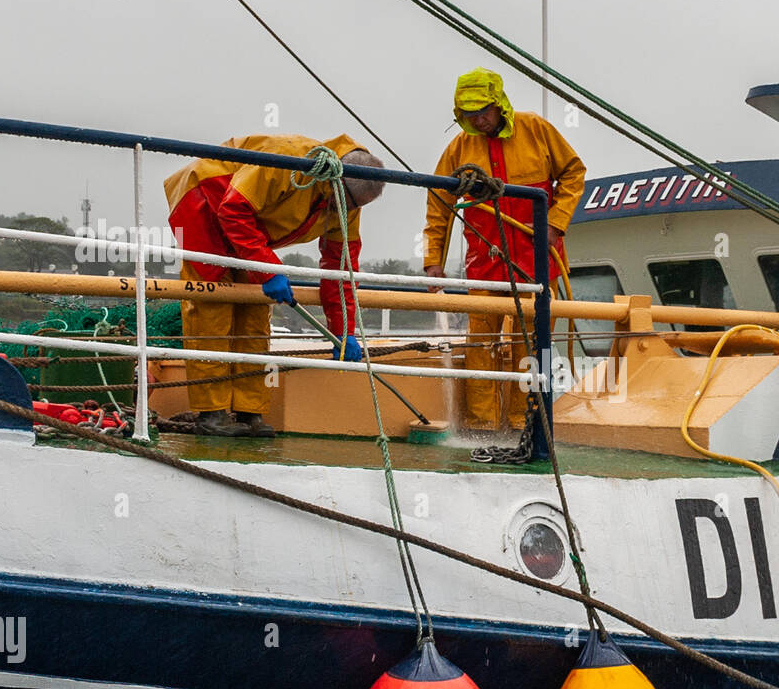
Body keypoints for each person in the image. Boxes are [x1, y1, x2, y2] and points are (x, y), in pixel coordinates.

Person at [164, 134, 384, 436]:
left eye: (353, 206)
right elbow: (233, 208)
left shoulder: (346, 207)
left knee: (255, 315)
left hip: (248, 230)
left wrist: (343, 330)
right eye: (344, 201)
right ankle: (211, 414)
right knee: (211, 310)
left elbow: (340, 267)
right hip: (202, 203)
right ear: (335, 183)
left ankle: (248, 411)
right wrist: (269, 270)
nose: (344, 209)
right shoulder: (287, 162)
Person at [422, 69, 585, 433]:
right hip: (484, 266)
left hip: (538, 266)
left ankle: (522, 424)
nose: (478, 120)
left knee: (529, 346)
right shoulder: (460, 147)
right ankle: (480, 425)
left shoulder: (537, 130)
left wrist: (555, 224)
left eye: (483, 112)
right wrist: (433, 261)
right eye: (469, 114)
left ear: (499, 106)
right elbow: (437, 202)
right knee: (481, 345)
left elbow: (574, 172)